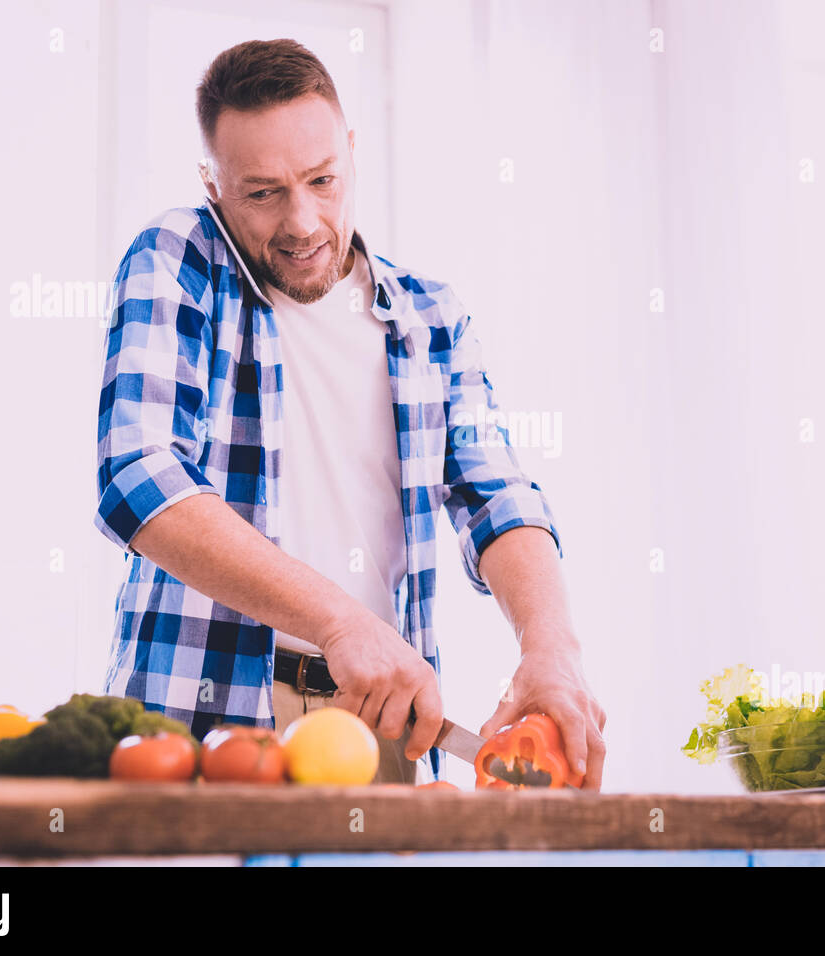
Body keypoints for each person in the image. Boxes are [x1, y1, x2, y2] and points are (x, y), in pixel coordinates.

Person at [93, 38, 606, 787]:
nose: (303, 223)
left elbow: (497, 494)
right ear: (212, 184)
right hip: (202, 719)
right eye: (262, 193)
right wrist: (340, 621)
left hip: (383, 727)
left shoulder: (432, 316)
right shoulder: (177, 259)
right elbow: (140, 477)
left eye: (323, 180)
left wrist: (553, 650)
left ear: (352, 152)